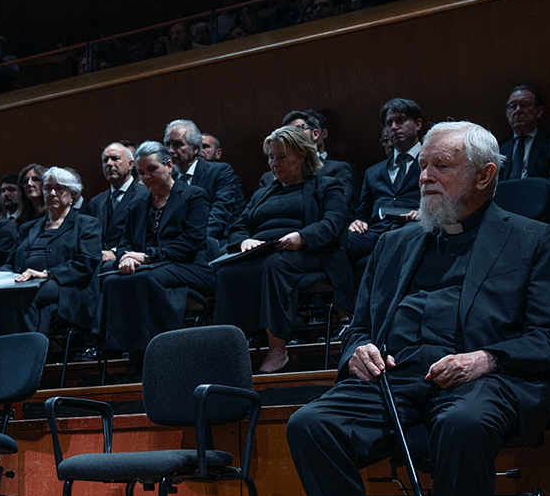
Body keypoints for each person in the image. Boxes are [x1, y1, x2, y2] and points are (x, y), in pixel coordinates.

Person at [287, 121, 550, 496]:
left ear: (486, 175)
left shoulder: (530, 238)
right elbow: (358, 327)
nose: (425, 176)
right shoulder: (394, 243)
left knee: (462, 424)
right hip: (397, 377)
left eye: (442, 166)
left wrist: (487, 358)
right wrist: (357, 351)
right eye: (423, 166)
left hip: (483, 379)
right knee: (311, 425)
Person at [214, 126, 351, 373]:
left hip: (308, 252)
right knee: (226, 272)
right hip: (262, 250)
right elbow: (238, 225)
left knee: (273, 265)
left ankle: (278, 348)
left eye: (281, 156)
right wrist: (244, 241)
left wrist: (303, 236)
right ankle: (228, 352)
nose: (273, 163)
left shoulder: (327, 185)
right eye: (270, 157)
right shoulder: (262, 193)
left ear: (301, 155)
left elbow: (336, 221)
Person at [100, 141, 215, 379]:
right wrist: (125, 258)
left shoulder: (194, 196)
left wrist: (147, 256)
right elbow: (124, 244)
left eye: (152, 169)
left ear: (169, 165)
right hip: (149, 267)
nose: (146, 177)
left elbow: (190, 243)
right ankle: (134, 359)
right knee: (112, 279)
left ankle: (160, 358)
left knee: (145, 278)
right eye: (141, 173)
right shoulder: (137, 205)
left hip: (188, 265)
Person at [0, 167, 101, 336]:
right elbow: (11, 261)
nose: (52, 193)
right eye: (47, 189)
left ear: (73, 195)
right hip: (24, 281)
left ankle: (31, 356)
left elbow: (87, 263)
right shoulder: (28, 227)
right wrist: (4, 277)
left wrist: (47, 273)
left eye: (59, 188)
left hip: (67, 287)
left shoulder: (86, 224)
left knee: (26, 296)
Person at [345, 98, 425, 266]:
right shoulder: (373, 172)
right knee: (340, 242)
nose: (394, 127)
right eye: (389, 123)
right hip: (377, 232)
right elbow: (363, 213)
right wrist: (359, 222)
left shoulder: (431, 162)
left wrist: (423, 214)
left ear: (418, 124)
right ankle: (344, 293)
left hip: (413, 227)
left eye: (400, 120)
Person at [498, 86, 550, 241]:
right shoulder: (498, 149)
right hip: (505, 213)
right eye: (512, 106)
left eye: (525, 104)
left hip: (542, 211)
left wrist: (529, 203)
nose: (518, 110)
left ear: (539, 111)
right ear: (507, 114)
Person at [162, 119, 244, 249]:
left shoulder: (219, 171)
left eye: (178, 144)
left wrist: (191, 242)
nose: (171, 150)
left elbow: (219, 213)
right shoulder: (167, 177)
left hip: (209, 241)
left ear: (195, 148)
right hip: (174, 247)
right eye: (167, 145)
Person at [83, 142, 148, 264]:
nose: (109, 164)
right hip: (97, 262)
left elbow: (143, 237)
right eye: (105, 160)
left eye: (115, 159)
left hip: (129, 260)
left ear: (130, 164)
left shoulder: (145, 195)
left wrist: (115, 252)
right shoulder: (95, 202)